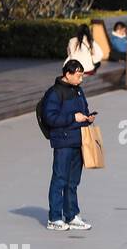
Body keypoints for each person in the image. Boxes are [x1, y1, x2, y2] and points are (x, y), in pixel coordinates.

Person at [39, 60, 95, 232]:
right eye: (78, 76)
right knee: (60, 179)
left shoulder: (78, 90)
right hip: (63, 142)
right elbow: (50, 118)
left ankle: (71, 215)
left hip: (79, 141)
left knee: (73, 181)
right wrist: (73, 118)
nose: (81, 79)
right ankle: (55, 217)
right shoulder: (54, 93)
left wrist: (87, 117)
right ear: (68, 74)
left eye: (82, 76)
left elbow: (83, 109)